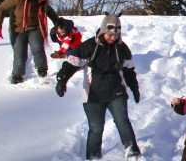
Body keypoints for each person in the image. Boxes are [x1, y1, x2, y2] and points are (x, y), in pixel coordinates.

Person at [54, 12, 142, 159]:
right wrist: (62, 79)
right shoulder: (89, 46)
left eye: (115, 35)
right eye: (109, 34)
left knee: (122, 120)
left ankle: (132, 149)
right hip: (93, 94)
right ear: (102, 30)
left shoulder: (121, 48)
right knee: (96, 128)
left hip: (116, 91)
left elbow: (128, 70)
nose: (112, 38)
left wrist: (134, 87)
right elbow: (71, 64)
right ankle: (93, 155)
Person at [0, 0, 65, 84]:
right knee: (20, 55)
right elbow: (1, 9)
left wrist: (58, 23)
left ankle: (42, 72)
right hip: (17, 30)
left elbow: (49, 12)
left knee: (38, 49)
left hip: (35, 28)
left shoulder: (43, 1)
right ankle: (17, 76)